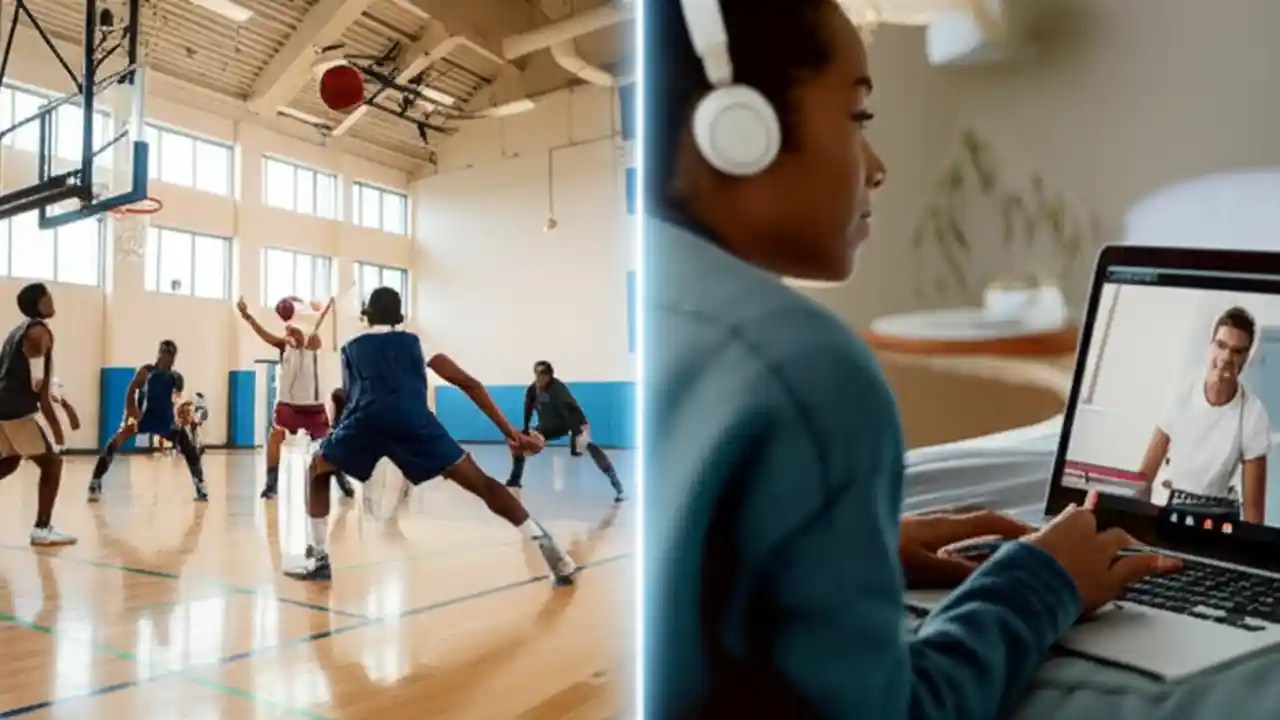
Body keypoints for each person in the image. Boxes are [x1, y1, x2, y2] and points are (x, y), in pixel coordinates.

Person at [642, 1, 1180, 716]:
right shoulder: (802, 366)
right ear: (741, 128)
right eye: (858, 118)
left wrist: (826, 556)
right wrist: (1039, 580)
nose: (879, 166)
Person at [283, 287, 578, 585]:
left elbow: (348, 397)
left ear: (366, 314)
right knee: (482, 484)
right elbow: (468, 383)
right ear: (401, 316)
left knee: (316, 468)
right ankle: (547, 545)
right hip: (415, 422)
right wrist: (509, 431)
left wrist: (339, 443)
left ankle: (319, 558)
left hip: (366, 420)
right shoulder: (418, 340)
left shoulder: (353, 345)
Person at [1136, 306, 1270, 523]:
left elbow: (1254, 512)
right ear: (1210, 346)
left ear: (1247, 358)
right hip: (1172, 507)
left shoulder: (1253, 414)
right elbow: (1144, 477)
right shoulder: (1180, 396)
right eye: (1221, 345)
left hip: (1219, 516)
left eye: (1237, 351)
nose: (1226, 357)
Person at [236, 296, 354, 500]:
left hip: (314, 406)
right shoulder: (285, 346)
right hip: (288, 404)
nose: (289, 333)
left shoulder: (315, 343)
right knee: (275, 437)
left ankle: (339, 475)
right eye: (287, 331)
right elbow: (264, 334)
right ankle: (271, 483)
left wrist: (321, 312)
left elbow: (311, 337)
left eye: (293, 330)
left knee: (328, 445)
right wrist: (248, 317)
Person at [0, 283, 75, 545]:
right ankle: (42, 529)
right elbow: (39, 386)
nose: (53, 302)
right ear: (39, 304)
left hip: (3, 407)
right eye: (48, 298)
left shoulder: (15, 332)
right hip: (16, 411)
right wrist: (56, 427)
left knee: (9, 462)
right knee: (52, 464)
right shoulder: (39, 333)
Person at [89, 340, 208, 502]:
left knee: (188, 448)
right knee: (115, 442)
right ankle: (95, 482)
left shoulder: (176, 378)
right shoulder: (147, 372)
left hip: (164, 420)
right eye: (165, 354)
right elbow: (131, 390)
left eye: (171, 356)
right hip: (143, 417)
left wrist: (181, 417)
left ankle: (200, 486)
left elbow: (177, 399)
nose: (168, 358)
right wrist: (131, 410)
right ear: (159, 354)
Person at [506, 360, 627, 503]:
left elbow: (571, 412)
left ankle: (617, 485)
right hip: (551, 425)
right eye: (537, 375)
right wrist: (526, 430)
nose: (540, 378)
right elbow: (528, 409)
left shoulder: (558, 389)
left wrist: (577, 435)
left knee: (590, 447)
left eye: (543, 375)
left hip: (575, 422)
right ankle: (515, 480)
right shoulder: (533, 390)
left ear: (550, 376)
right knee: (519, 443)